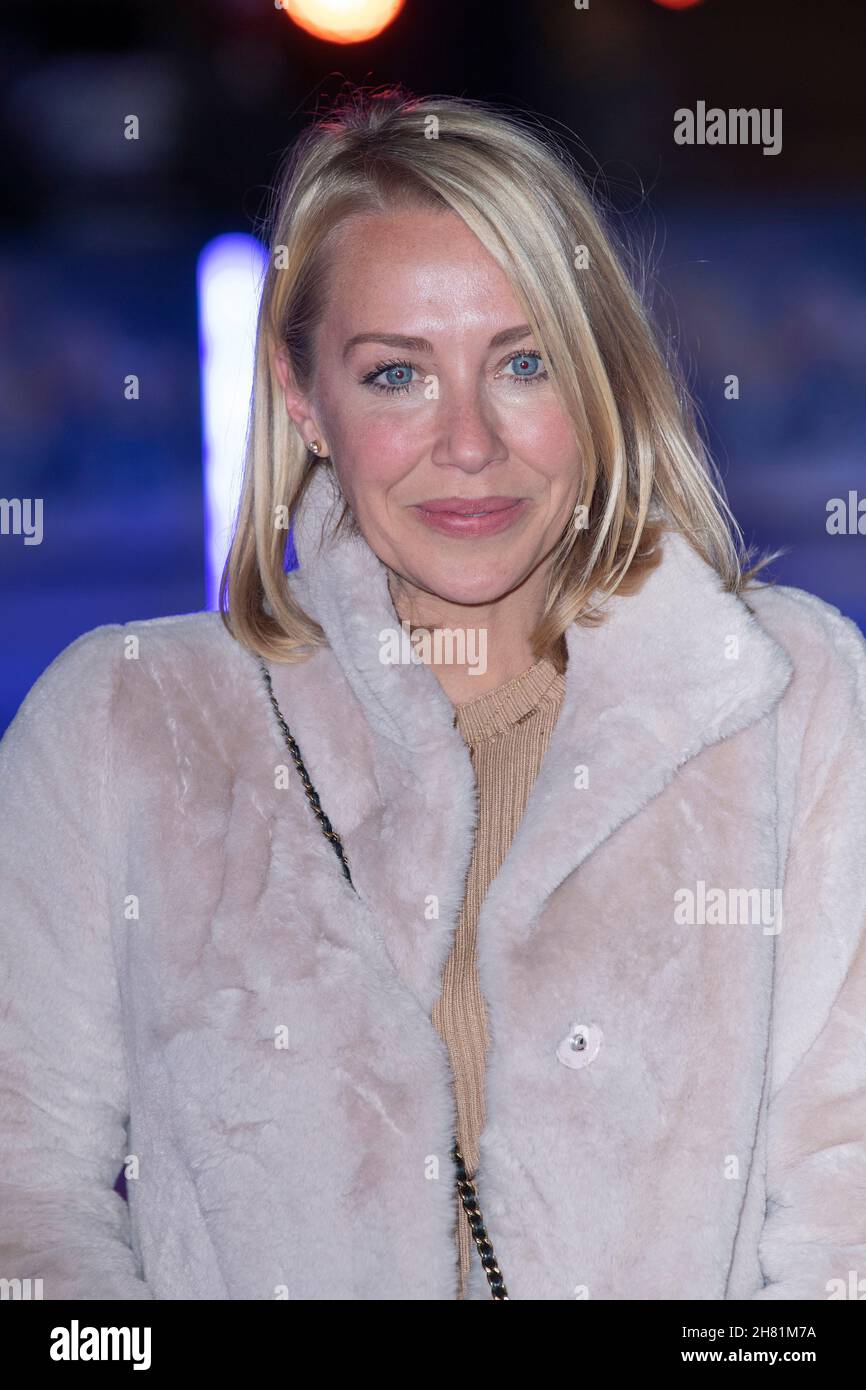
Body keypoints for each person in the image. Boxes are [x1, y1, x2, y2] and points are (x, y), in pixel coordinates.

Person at [1, 87, 865, 1302]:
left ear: (602, 376)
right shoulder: (124, 721)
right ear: (304, 399)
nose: (467, 443)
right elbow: (25, 1204)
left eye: (521, 363)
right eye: (396, 375)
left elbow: (846, 1226)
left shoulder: (793, 703)